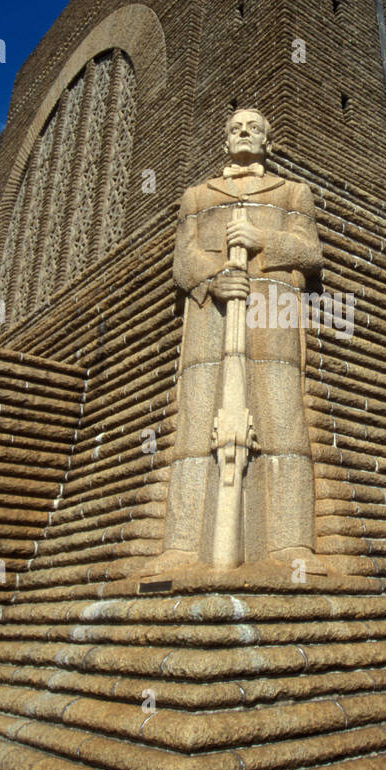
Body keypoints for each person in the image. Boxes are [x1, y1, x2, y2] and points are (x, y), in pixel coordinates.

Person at [153, 107, 326, 572]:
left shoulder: (293, 191)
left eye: (253, 128)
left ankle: (292, 546)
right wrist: (211, 278)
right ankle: (183, 546)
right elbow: (181, 257)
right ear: (224, 140)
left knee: (282, 412)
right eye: (235, 128)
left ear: (267, 139)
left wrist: (261, 238)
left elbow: (310, 253)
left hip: (274, 309)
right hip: (211, 313)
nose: (243, 133)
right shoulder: (196, 196)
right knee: (196, 417)